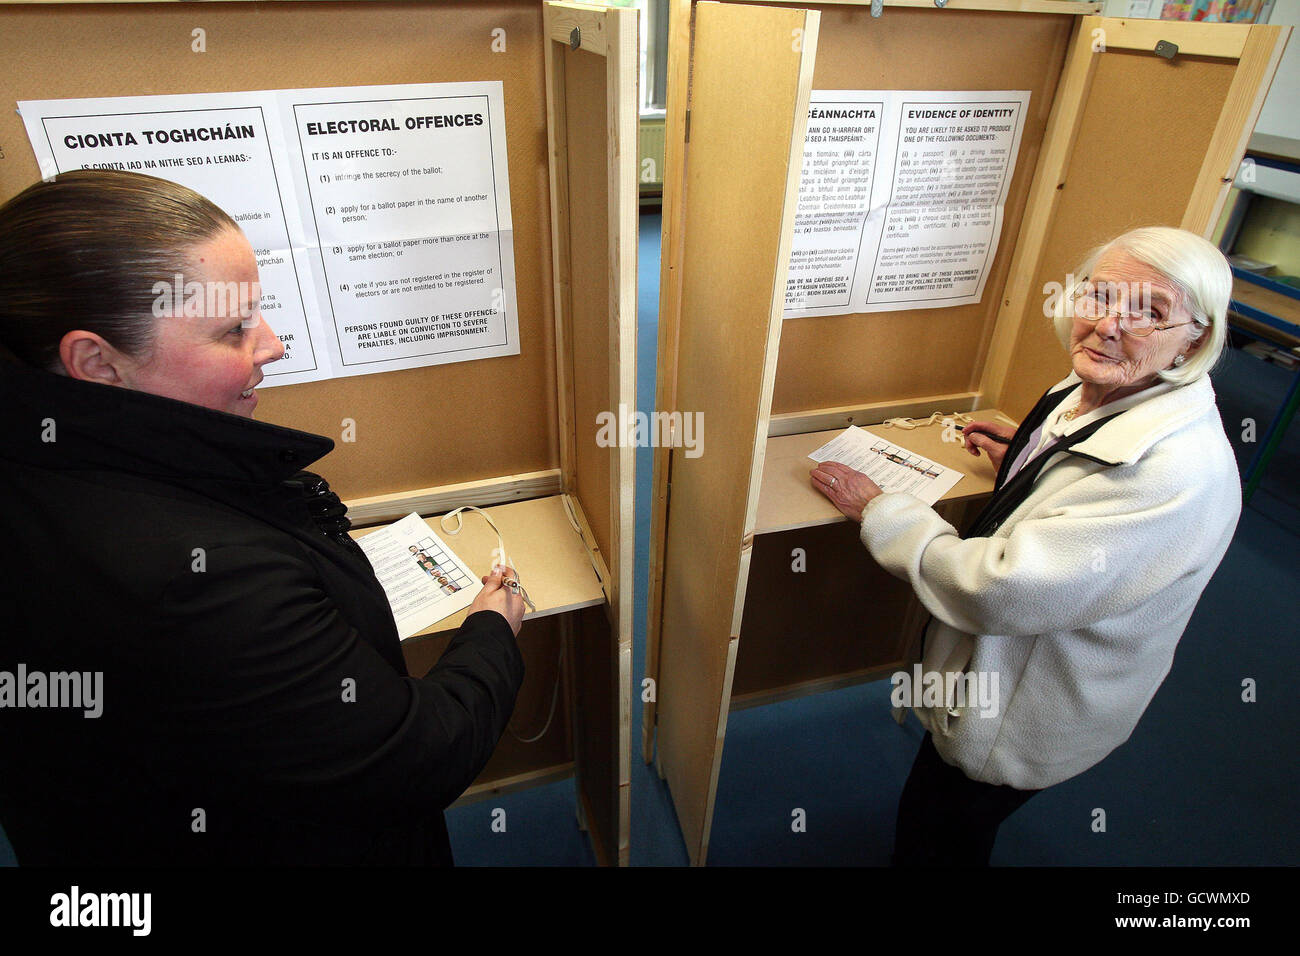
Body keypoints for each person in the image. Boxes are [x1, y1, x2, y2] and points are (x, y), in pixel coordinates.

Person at [0, 170, 526, 865]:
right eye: (234, 328)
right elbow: (412, 760)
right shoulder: (197, 580)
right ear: (97, 363)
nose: (273, 345)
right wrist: (494, 627)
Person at [810, 226, 1242, 866]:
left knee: (939, 833)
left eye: (1147, 312)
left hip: (1025, 706)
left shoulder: (1175, 473)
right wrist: (1029, 455)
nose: (1106, 326)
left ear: (1195, 338)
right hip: (997, 673)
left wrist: (882, 510)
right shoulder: (1109, 385)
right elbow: (1080, 469)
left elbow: (994, 589)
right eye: (1099, 296)